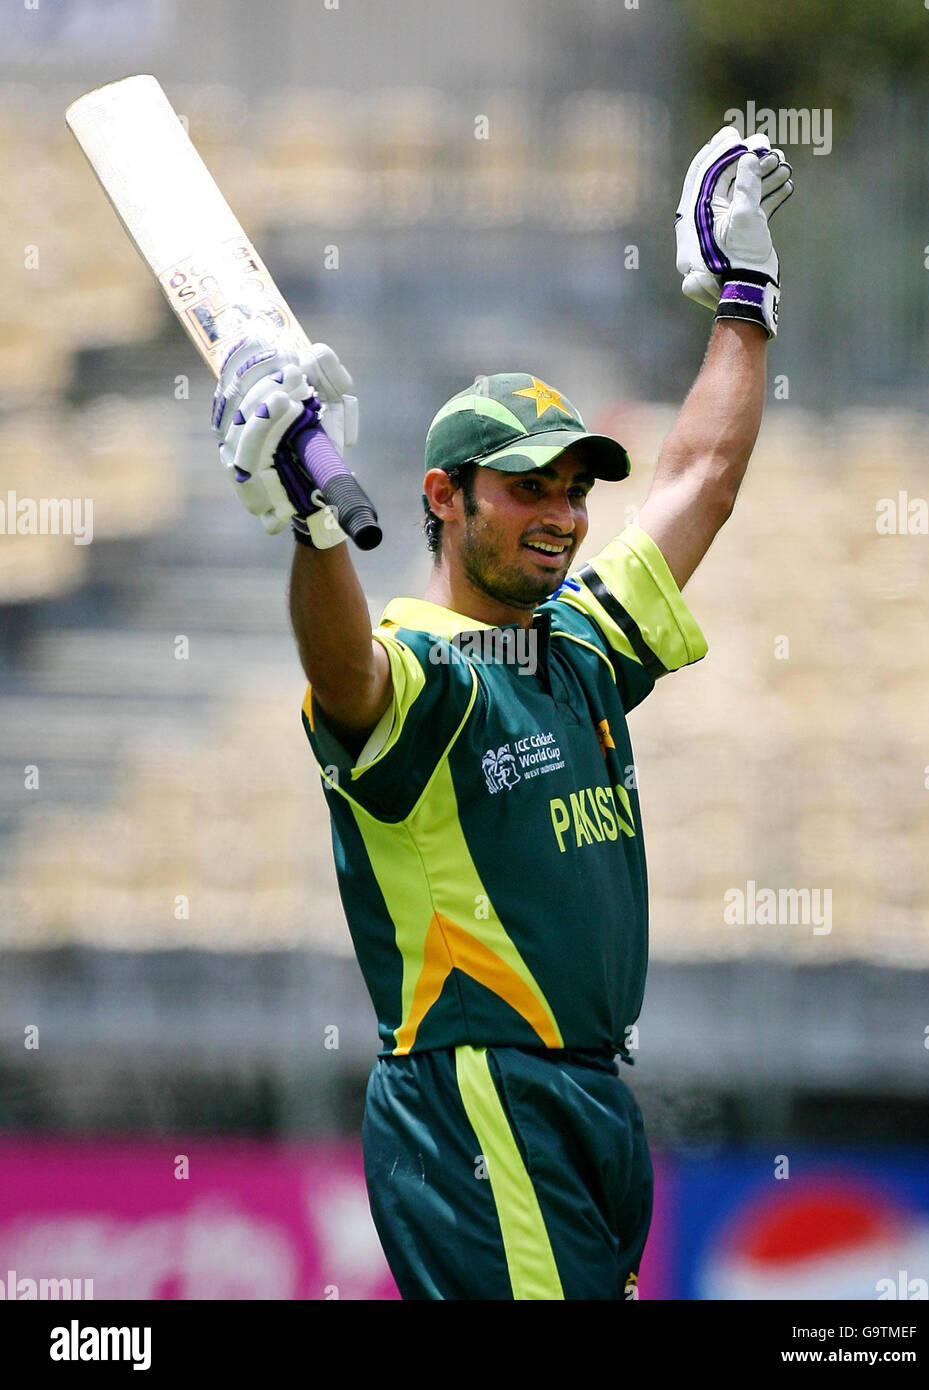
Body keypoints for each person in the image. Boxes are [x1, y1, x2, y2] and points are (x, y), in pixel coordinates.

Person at [211, 126, 793, 1299]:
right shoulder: (422, 670)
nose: (566, 514)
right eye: (530, 486)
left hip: (588, 1096)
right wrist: (313, 524)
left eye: (576, 490)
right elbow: (344, 678)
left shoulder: (578, 639)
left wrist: (743, 297)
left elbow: (700, 481)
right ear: (445, 496)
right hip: (479, 1096)